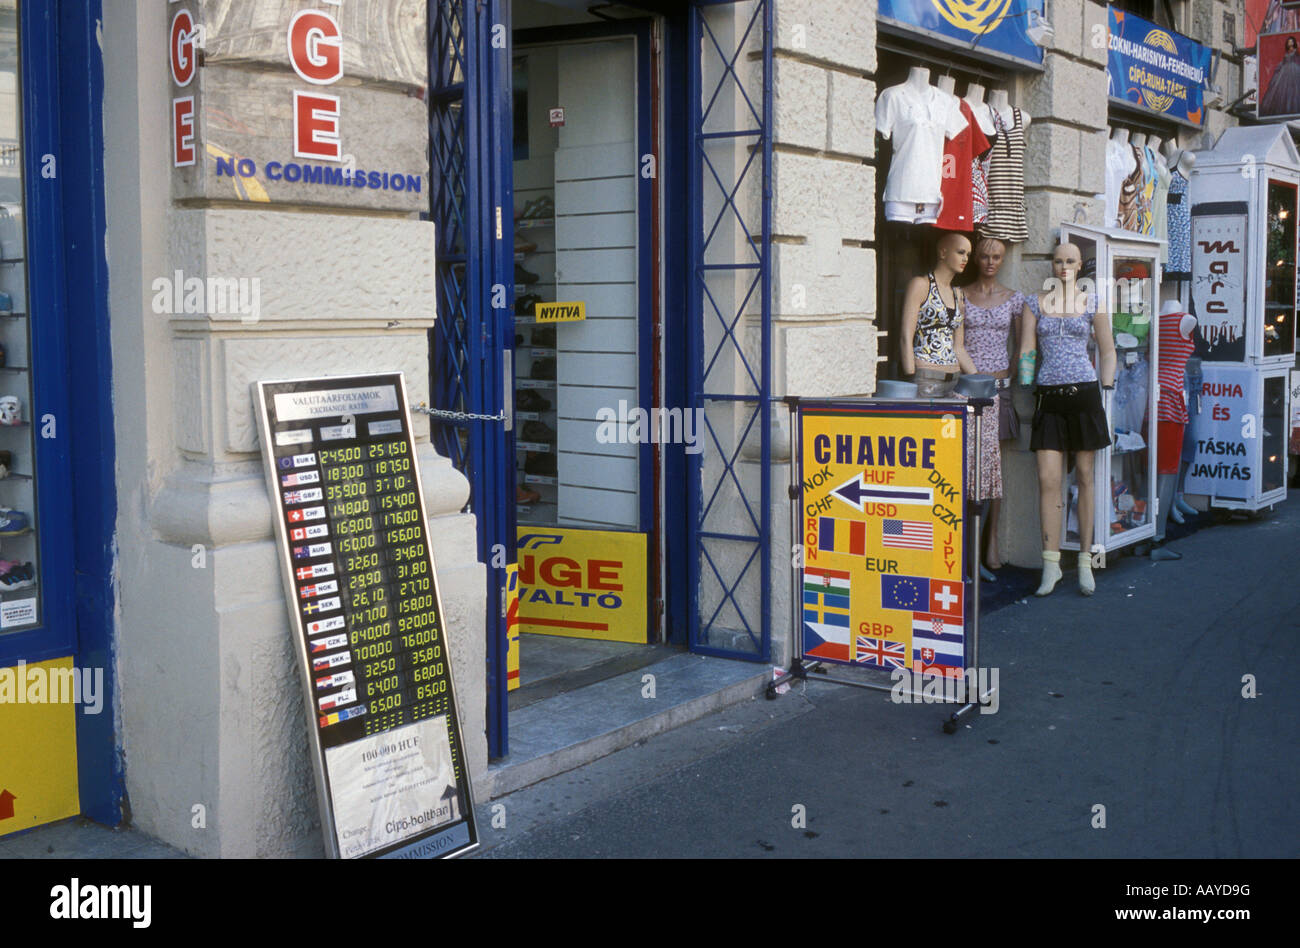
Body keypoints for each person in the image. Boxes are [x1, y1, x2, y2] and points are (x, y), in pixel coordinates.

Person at [1018, 242, 1116, 596]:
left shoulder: (1093, 302)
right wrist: (1025, 381)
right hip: (1048, 396)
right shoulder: (1035, 302)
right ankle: (1051, 564)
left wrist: (1107, 385)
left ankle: (1086, 562)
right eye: (1058, 260)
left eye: (1070, 260)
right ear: (1052, 264)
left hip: (1084, 395)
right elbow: (1027, 349)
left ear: (1080, 265)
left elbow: (1107, 350)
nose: (1063, 266)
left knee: (1086, 476)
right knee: (1048, 479)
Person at [961, 236, 1024, 579]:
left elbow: (1020, 344)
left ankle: (991, 543)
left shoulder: (1013, 300)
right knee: (966, 469)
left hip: (999, 388)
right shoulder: (962, 294)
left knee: (993, 470)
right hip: (967, 389)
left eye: (996, 257)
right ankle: (964, 549)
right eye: (984, 256)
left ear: (1002, 259)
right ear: (975, 259)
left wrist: (1012, 373)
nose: (989, 262)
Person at [900, 232, 977, 397]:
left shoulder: (958, 294)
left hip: (955, 378)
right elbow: (906, 336)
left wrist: (978, 380)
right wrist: (910, 375)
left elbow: (959, 347)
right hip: (926, 376)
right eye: (960, 252)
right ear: (943, 253)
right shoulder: (920, 285)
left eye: (968, 255)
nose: (965, 259)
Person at [1261, 35, 1300, 118]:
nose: (1290, 43)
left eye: (1291, 41)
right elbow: (1284, 61)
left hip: (1293, 71)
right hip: (1284, 70)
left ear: (1293, 43)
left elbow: (1297, 59)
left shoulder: (1295, 52)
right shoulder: (1287, 53)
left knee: (1292, 91)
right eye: (1288, 41)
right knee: (1279, 90)